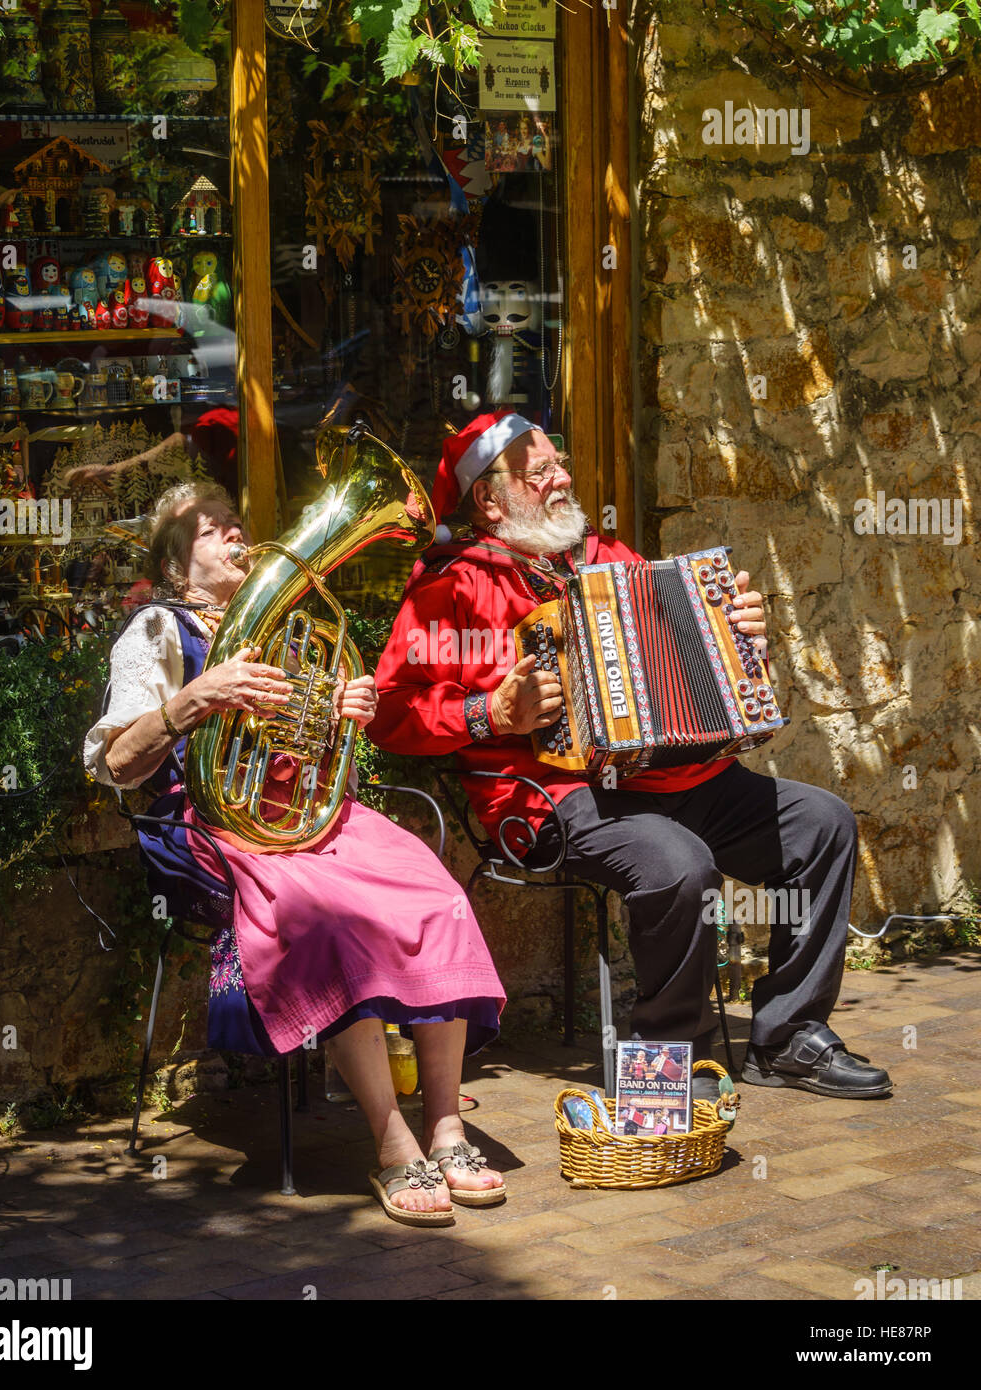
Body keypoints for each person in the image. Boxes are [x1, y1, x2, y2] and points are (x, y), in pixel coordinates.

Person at [367, 411, 892, 1102]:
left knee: (822, 824)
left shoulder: (611, 560)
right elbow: (388, 711)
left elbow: (693, 656)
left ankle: (789, 1036)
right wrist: (487, 712)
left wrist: (740, 635)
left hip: (667, 778)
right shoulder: (455, 586)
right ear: (490, 501)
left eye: (560, 464)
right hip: (552, 798)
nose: (562, 479)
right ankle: (667, 1061)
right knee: (678, 863)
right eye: (540, 474)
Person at [83, 480, 507, 1225]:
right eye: (210, 530)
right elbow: (118, 765)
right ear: (180, 568)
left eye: (233, 520)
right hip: (211, 823)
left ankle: (446, 1127)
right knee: (329, 917)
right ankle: (392, 1140)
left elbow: (320, 752)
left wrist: (345, 715)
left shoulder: (290, 620)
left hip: (307, 815)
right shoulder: (154, 629)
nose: (233, 533)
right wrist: (196, 696)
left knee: (437, 893)